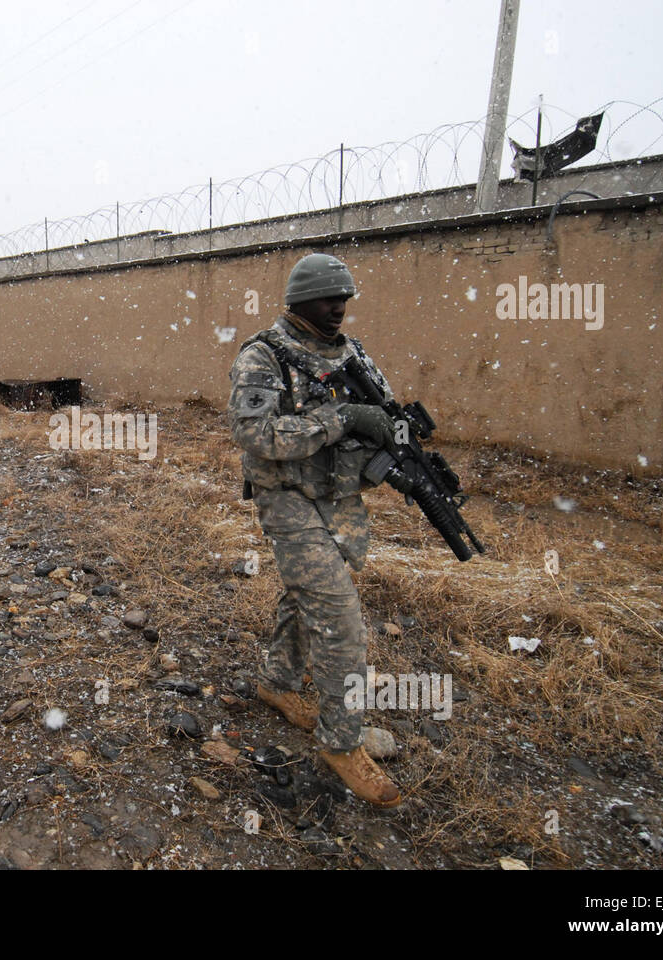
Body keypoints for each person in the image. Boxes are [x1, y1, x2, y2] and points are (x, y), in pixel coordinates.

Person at [227, 252, 403, 808]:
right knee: (339, 615)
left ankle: (278, 684)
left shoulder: (352, 353)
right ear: (298, 300)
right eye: (330, 298)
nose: (339, 308)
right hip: (288, 499)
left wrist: (394, 432)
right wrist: (341, 420)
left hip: (342, 497)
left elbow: (386, 407)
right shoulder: (262, 357)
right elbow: (257, 435)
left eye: (345, 298)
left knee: (306, 596)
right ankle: (341, 741)